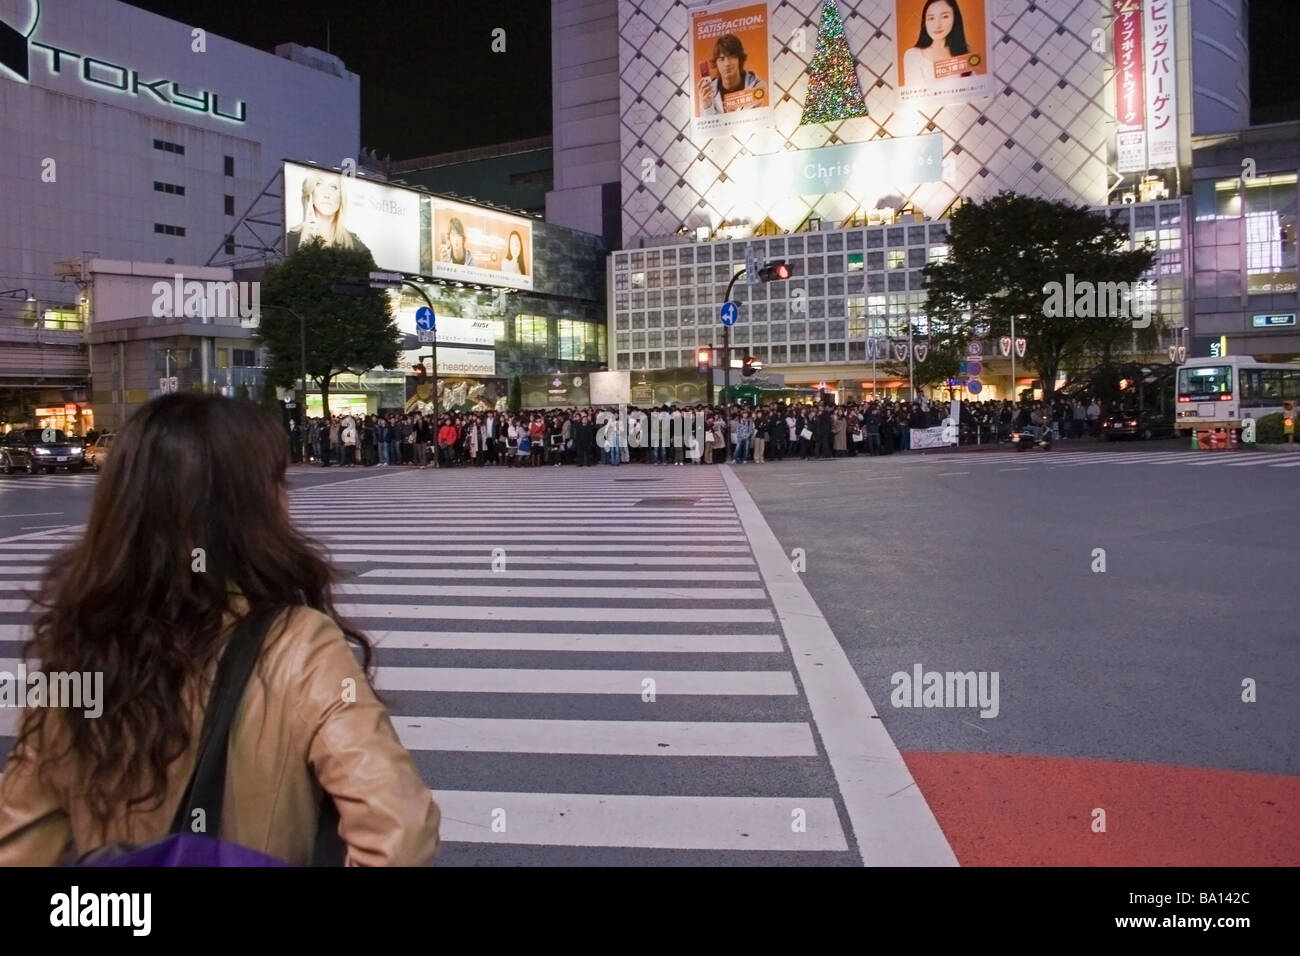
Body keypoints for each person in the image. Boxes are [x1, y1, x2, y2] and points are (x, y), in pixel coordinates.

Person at [0, 394, 440, 866]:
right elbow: (399, 832)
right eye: (278, 483)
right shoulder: (297, 643)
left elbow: (22, 845)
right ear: (249, 507)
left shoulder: (80, 645)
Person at [286, 172, 371, 257]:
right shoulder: (290, 239)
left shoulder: (355, 244)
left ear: (341, 196)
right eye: (318, 184)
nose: (326, 195)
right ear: (310, 192)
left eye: (334, 187)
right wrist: (304, 243)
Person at [903, 0, 973, 91]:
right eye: (931, 18)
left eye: (945, 17)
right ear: (925, 22)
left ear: (955, 18)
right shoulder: (913, 55)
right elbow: (916, 95)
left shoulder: (963, 53)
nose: (937, 25)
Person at [698, 34, 767, 115]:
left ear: (739, 59)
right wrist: (707, 106)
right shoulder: (707, 92)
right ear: (716, 63)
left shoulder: (758, 86)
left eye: (731, 57)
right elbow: (708, 125)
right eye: (721, 59)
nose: (727, 64)